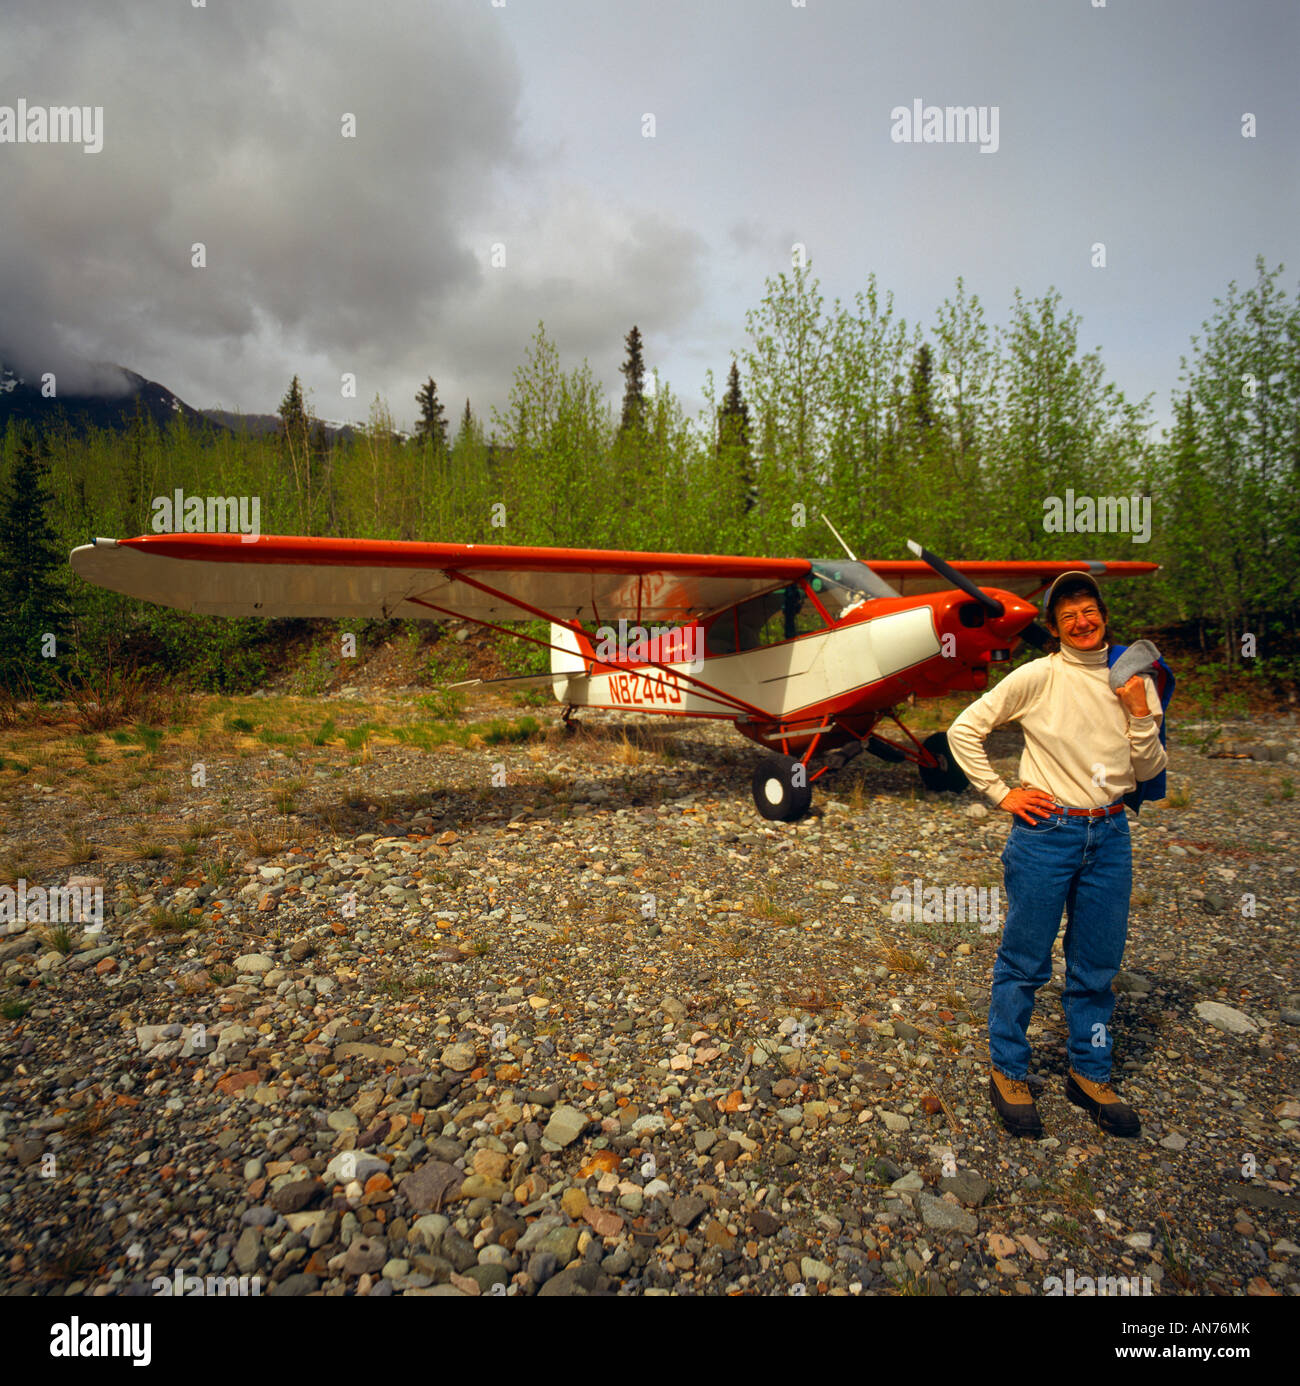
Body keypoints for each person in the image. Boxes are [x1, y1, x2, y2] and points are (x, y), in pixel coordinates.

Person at [945, 572, 1167, 1138]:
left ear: (1104, 616)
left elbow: (1150, 772)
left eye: (1088, 611)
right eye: (1068, 616)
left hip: (1110, 835)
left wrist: (1140, 713)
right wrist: (1001, 793)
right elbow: (964, 729)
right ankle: (1008, 1071)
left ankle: (1089, 1073)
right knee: (1024, 962)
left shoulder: (1134, 679)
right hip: (1046, 834)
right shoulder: (1039, 676)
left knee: (1096, 968)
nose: (1081, 622)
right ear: (1054, 627)